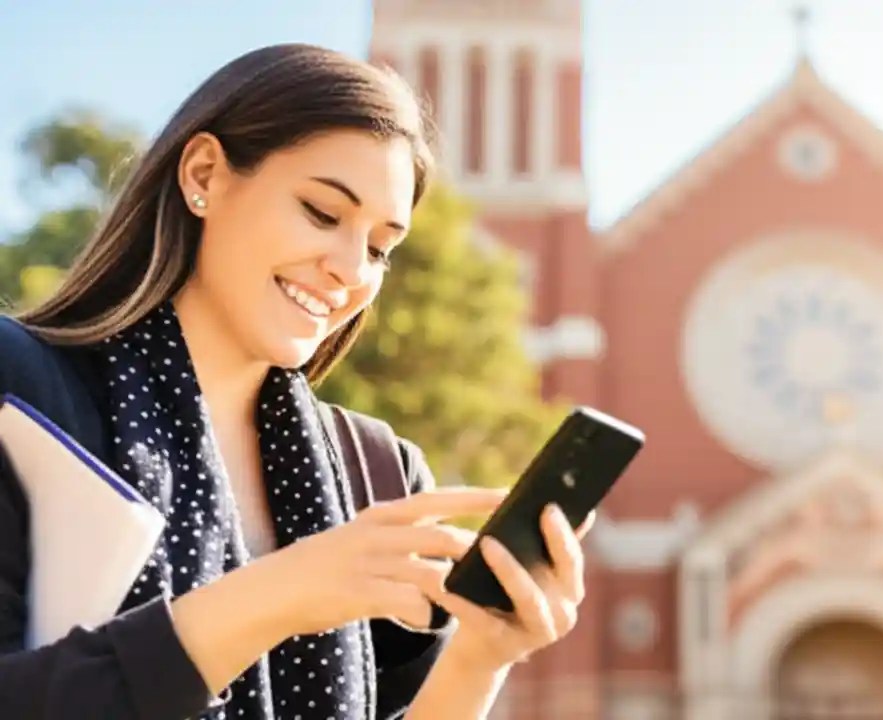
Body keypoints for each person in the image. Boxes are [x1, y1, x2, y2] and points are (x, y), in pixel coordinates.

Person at [0, 43, 590, 720]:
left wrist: (481, 657)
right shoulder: (23, 394)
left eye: (379, 248)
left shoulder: (380, 473)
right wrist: (287, 590)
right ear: (204, 175)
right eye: (321, 212)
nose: (350, 270)